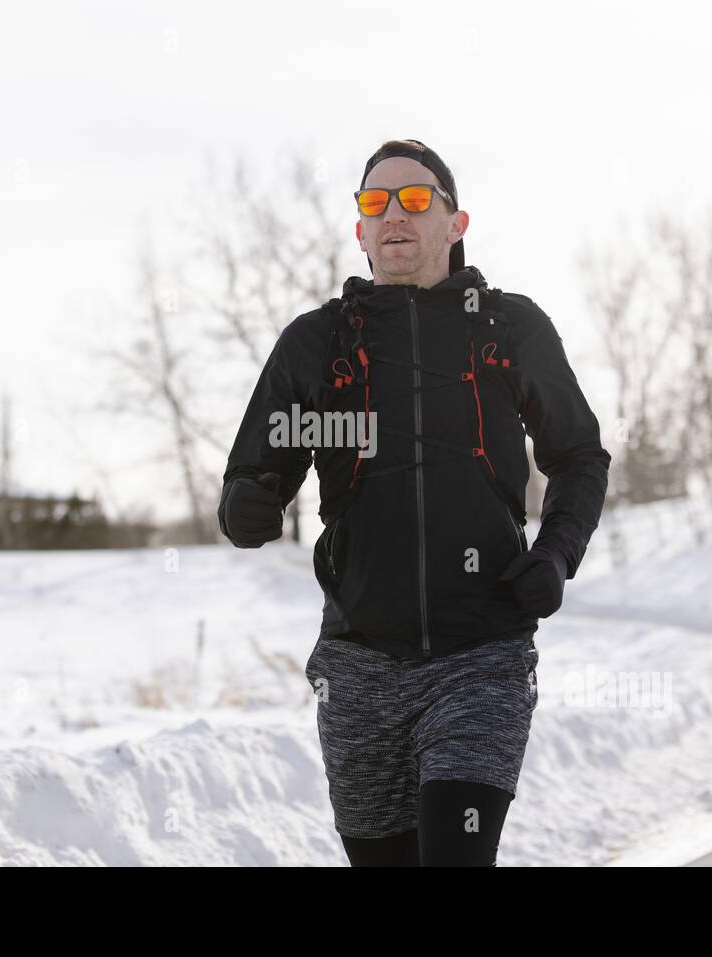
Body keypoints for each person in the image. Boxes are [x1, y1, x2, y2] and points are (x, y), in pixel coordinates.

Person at [218, 138, 611, 866]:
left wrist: (556, 553)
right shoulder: (317, 343)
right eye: (376, 203)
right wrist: (248, 502)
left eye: (415, 198)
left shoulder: (508, 328)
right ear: (359, 231)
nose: (394, 214)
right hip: (359, 665)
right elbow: (254, 472)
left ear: (455, 222)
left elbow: (580, 456)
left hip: (482, 654)